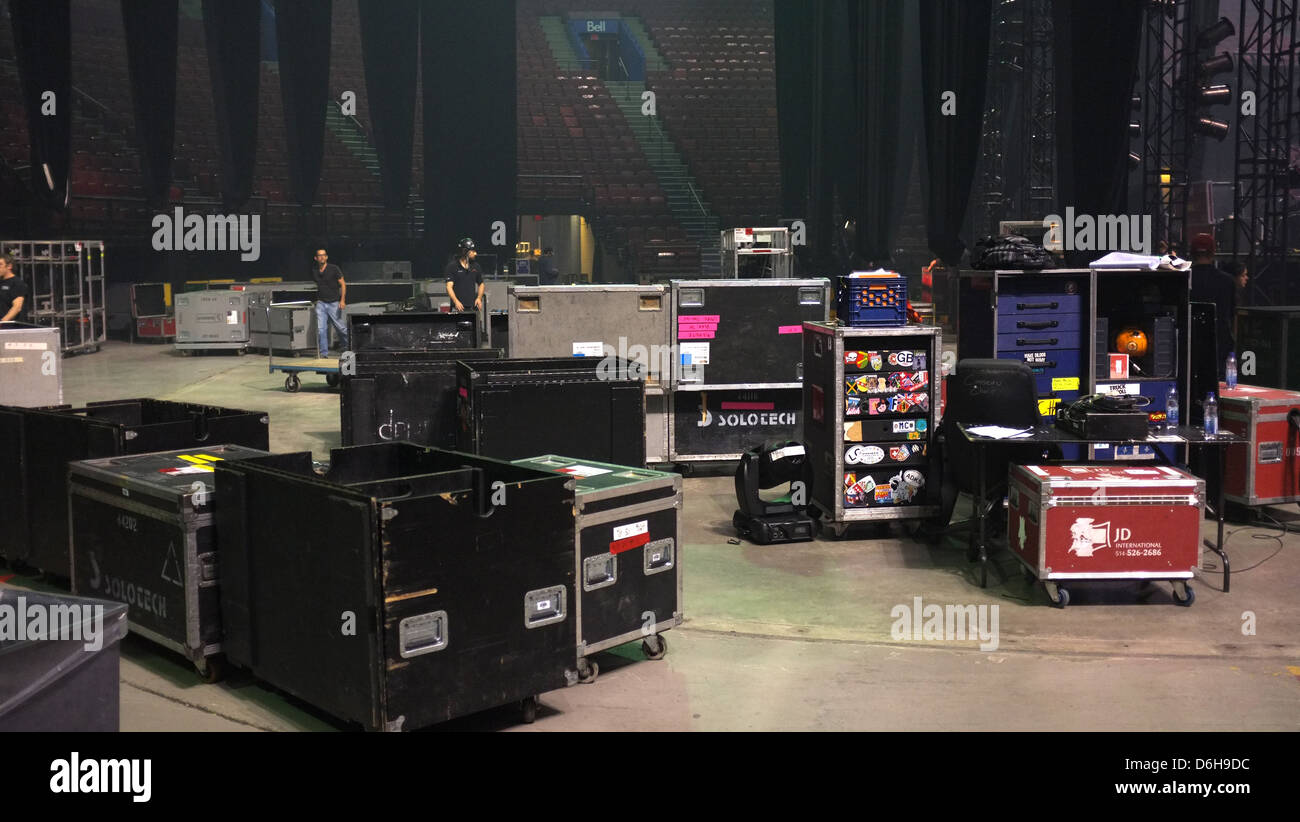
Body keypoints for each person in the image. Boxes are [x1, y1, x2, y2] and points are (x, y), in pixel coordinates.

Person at [1188, 233, 1235, 379]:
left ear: (1192, 253)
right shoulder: (1227, 281)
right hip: (1219, 346)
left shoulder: (1183, 279)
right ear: (1213, 253)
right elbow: (1232, 315)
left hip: (1189, 345)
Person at [312, 248, 347, 358]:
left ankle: (348, 346)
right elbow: (320, 286)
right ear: (316, 258)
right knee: (321, 329)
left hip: (334, 303)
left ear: (326, 257)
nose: (322, 257)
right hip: (321, 303)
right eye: (320, 255)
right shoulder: (314, 271)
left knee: (340, 327)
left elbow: (343, 284)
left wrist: (342, 300)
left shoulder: (334, 268)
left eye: (324, 255)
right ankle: (324, 353)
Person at [444, 237, 484, 313]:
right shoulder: (452, 266)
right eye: (472, 251)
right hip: (457, 308)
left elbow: (481, 284)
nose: (475, 253)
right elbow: (449, 287)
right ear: (465, 251)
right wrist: (456, 301)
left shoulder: (476, 266)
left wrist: (479, 298)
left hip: (472, 308)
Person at [0, 252, 30, 323]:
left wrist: (2, 322)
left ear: (9, 266)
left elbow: (17, 307)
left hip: (11, 327)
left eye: (0, 265)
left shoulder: (17, 283)